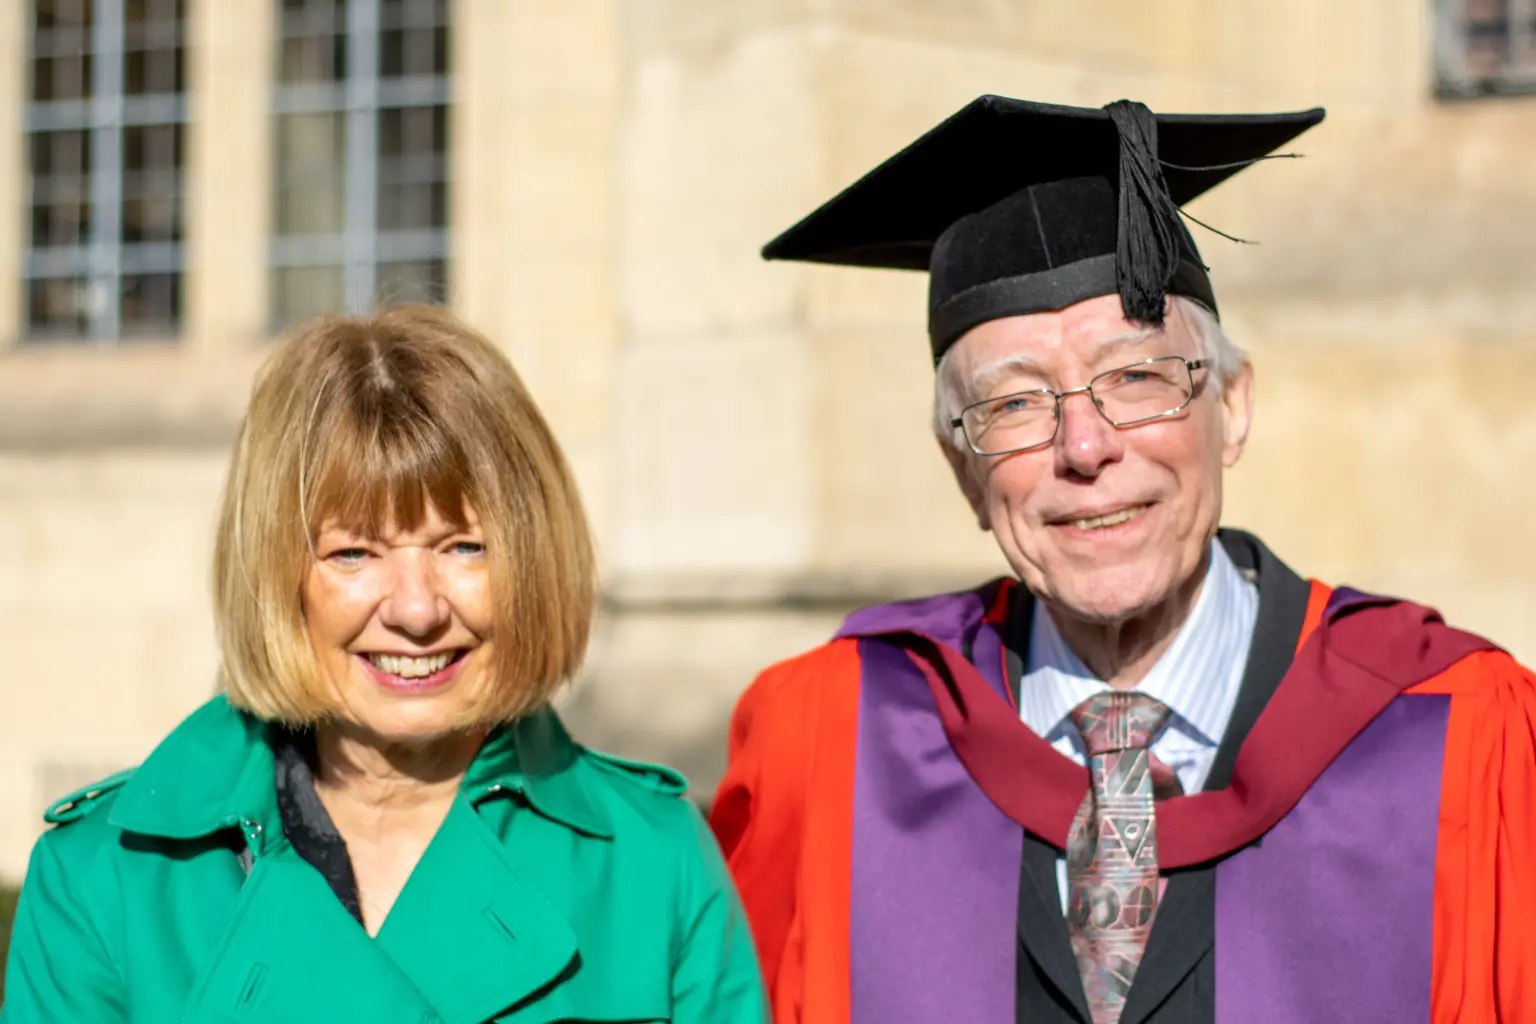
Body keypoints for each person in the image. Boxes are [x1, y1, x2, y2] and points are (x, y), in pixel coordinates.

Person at [709, 96, 1536, 1024]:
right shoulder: (834, 738)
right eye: (1014, 406)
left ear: (1233, 408)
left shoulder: (1457, 736)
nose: (1086, 447)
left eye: (1137, 378)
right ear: (962, 470)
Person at [2, 305, 767, 1023]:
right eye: (353, 553)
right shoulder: (108, 878)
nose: (417, 609)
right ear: (278, 578)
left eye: (464, 546)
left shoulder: (650, 862)